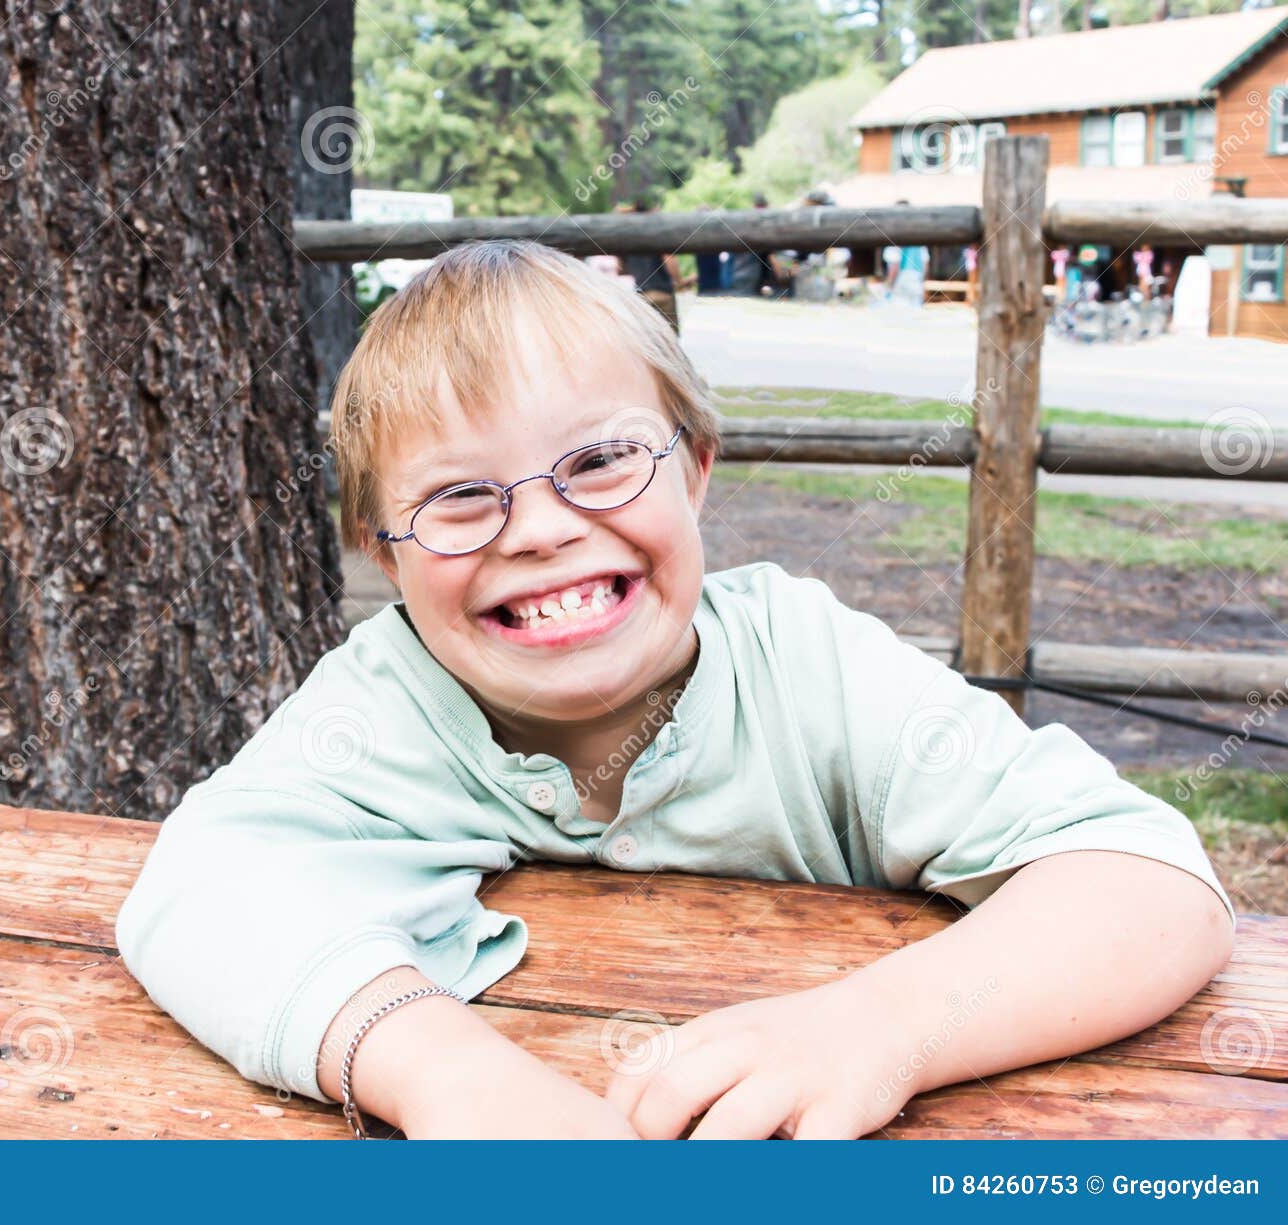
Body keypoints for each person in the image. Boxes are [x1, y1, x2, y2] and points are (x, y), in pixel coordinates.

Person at [117, 240, 1234, 1140]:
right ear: (383, 553)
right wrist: (442, 1073)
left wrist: (880, 1027)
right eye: (461, 497)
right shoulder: (381, 702)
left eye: (599, 463)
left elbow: (1146, 885)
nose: (544, 529)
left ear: (696, 469)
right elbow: (197, 891)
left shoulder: (807, 667)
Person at [618, 196, 692, 334]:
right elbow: (669, 259)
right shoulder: (656, 233)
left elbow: (620, 270)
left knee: (651, 343)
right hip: (663, 295)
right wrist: (679, 281)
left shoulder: (626, 238)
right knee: (670, 340)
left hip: (642, 298)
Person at [882, 200, 928, 308]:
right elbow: (926, 265)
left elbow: (895, 266)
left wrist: (888, 287)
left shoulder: (894, 237)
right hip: (916, 281)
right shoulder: (920, 237)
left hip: (900, 283)